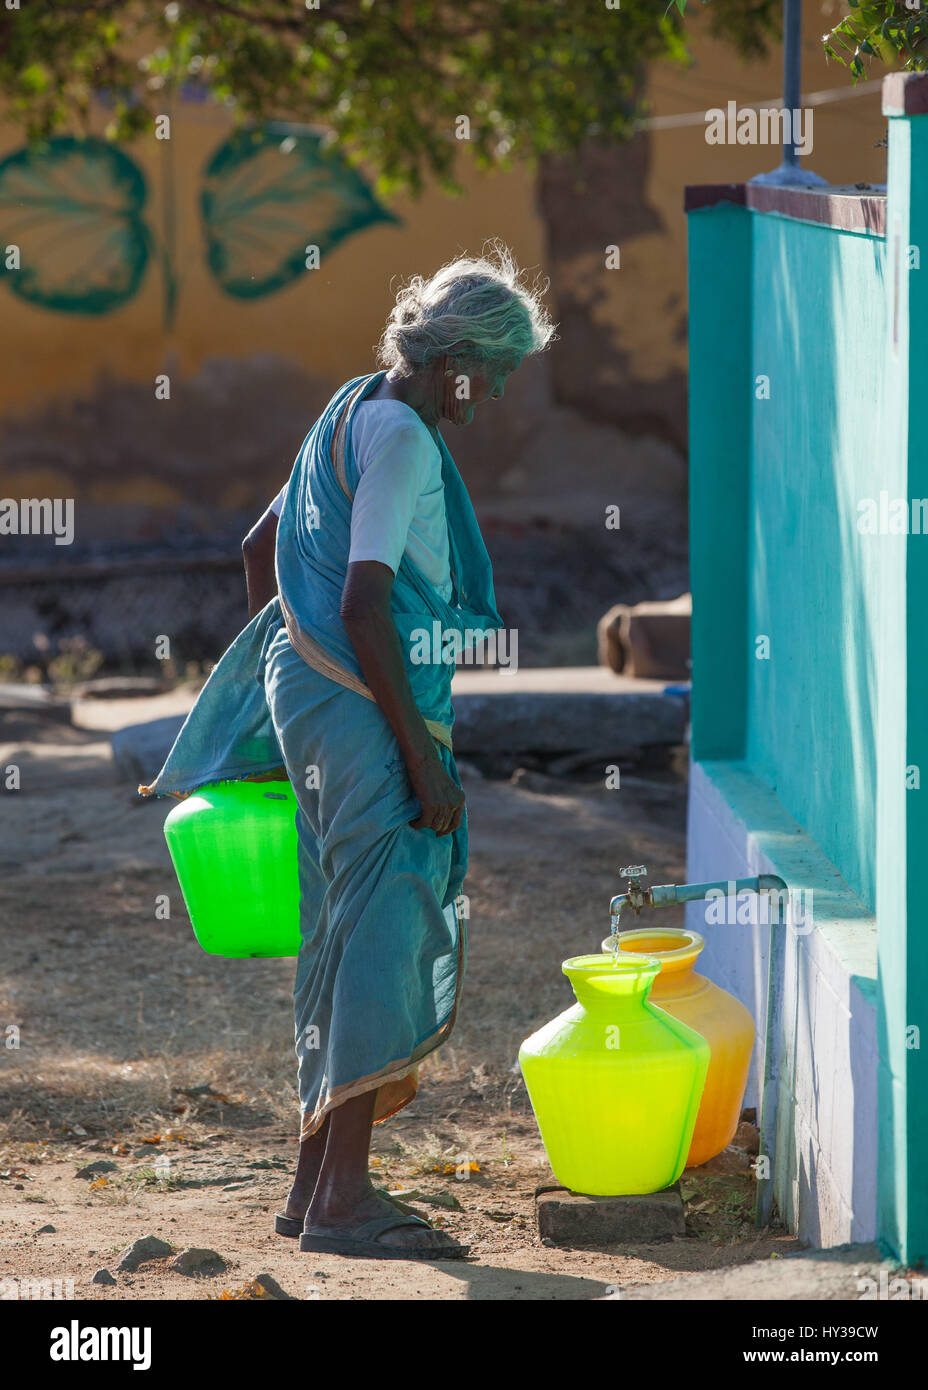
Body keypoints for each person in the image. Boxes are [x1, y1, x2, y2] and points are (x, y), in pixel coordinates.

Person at [141, 245, 554, 1259]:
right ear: (455, 358)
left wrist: (298, 698)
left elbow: (258, 551)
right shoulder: (405, 437)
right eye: (495, 369)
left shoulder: (349, 407)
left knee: (335, 930)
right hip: (359, 701)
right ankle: (342, 1203)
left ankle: (309, 1188)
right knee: (375, 931)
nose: (497, 392)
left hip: (311, 687)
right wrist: (422, 763)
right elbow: (367, 600)